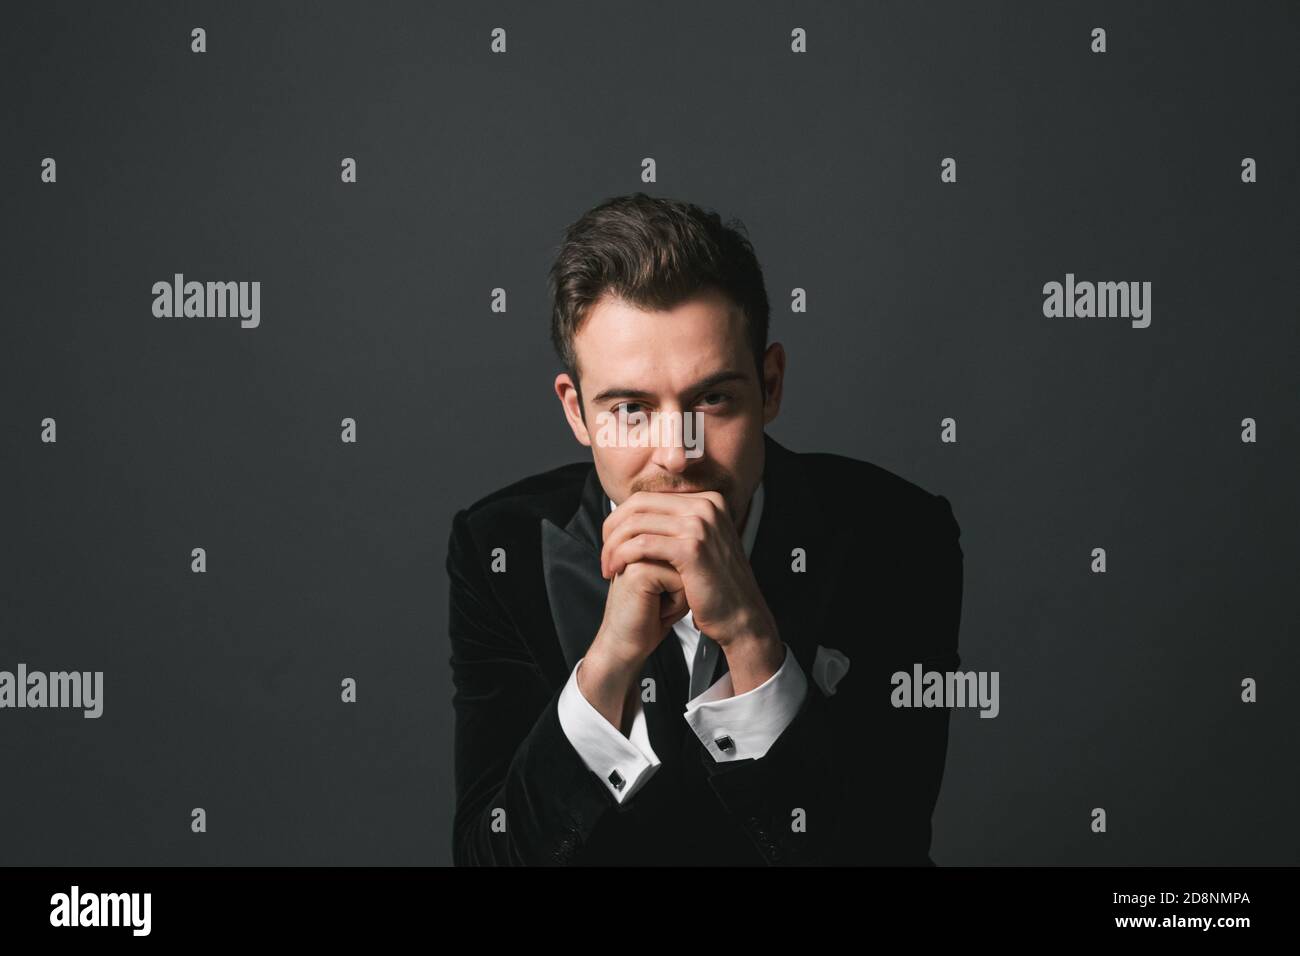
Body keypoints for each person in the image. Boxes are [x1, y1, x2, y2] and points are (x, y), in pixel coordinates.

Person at [446, 193, 963, 865]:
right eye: (631, 408)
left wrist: (751, 639)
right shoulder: (499, 552)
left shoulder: (898, 537)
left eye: (712, 399)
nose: (677, 453)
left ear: (770, 385)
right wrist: (608, 666)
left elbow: (883, 849)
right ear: (577, 413)